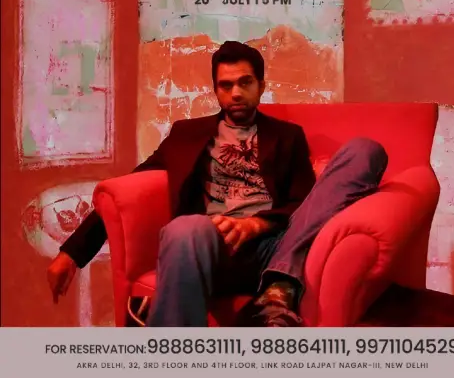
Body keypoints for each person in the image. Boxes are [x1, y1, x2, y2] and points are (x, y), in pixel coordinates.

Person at [47, 41, 388, 327]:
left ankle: (276, 288)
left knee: (365, 151)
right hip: (211, 248)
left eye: (245, 82)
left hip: (275, 250)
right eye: (226, 86)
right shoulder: (186, 134)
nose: (236, 93)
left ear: (261, 86)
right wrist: (72, 253)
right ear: (215, 90)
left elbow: (303, 204)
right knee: (184, 228)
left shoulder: (287, 137)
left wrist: (256, 225)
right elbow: (127, 186)